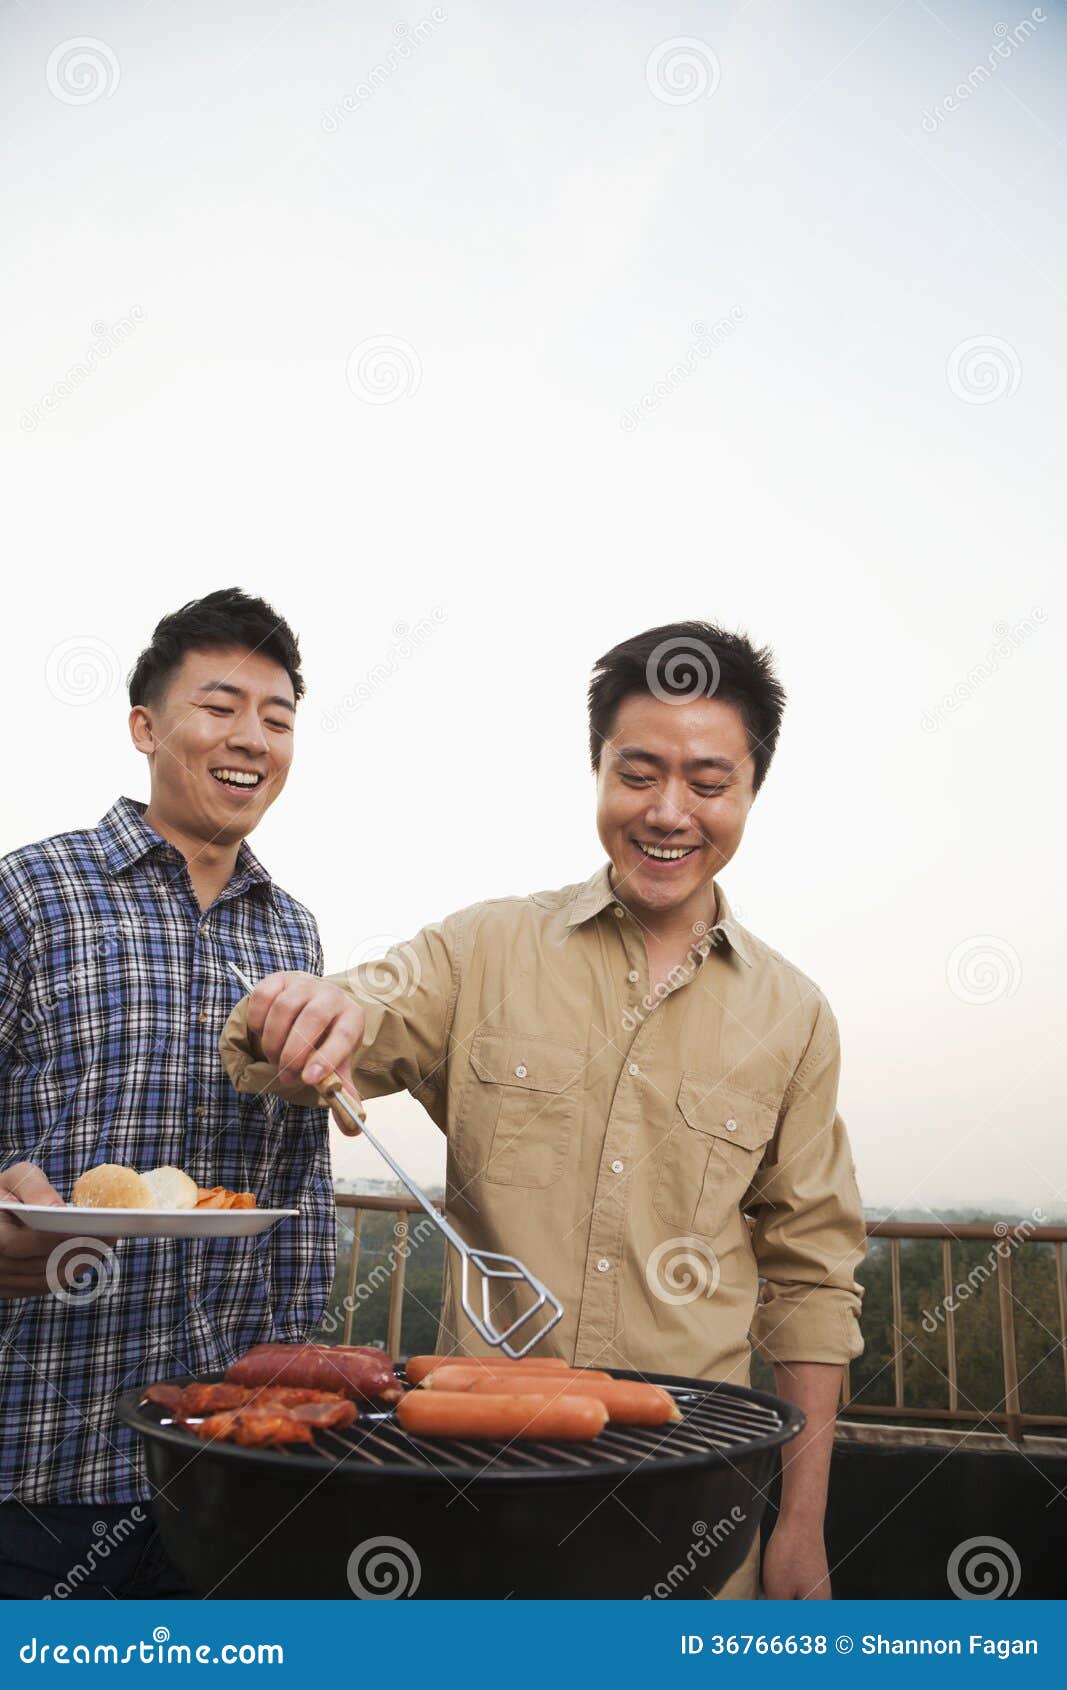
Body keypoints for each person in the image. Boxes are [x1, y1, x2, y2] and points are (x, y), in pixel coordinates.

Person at [220, 620, 866, 1601]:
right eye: (636, 771)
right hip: (480, 1506)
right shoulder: (482, 948)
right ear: (596, 769)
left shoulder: (794, 1014)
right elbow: (340, 1017)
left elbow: (811, 1284)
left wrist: (799, 1531)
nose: (666, 811)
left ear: (748, 792)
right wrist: (309, 1011)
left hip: (693, 1511)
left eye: (706, 781)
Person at [0, 589, 331, 1599]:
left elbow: (298, 1186)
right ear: (146, 727)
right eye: (219, 706)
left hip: (225, 1452)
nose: (251, 739)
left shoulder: (295, 934)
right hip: (43, 1451)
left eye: (276, 718)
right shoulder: (32, 893)